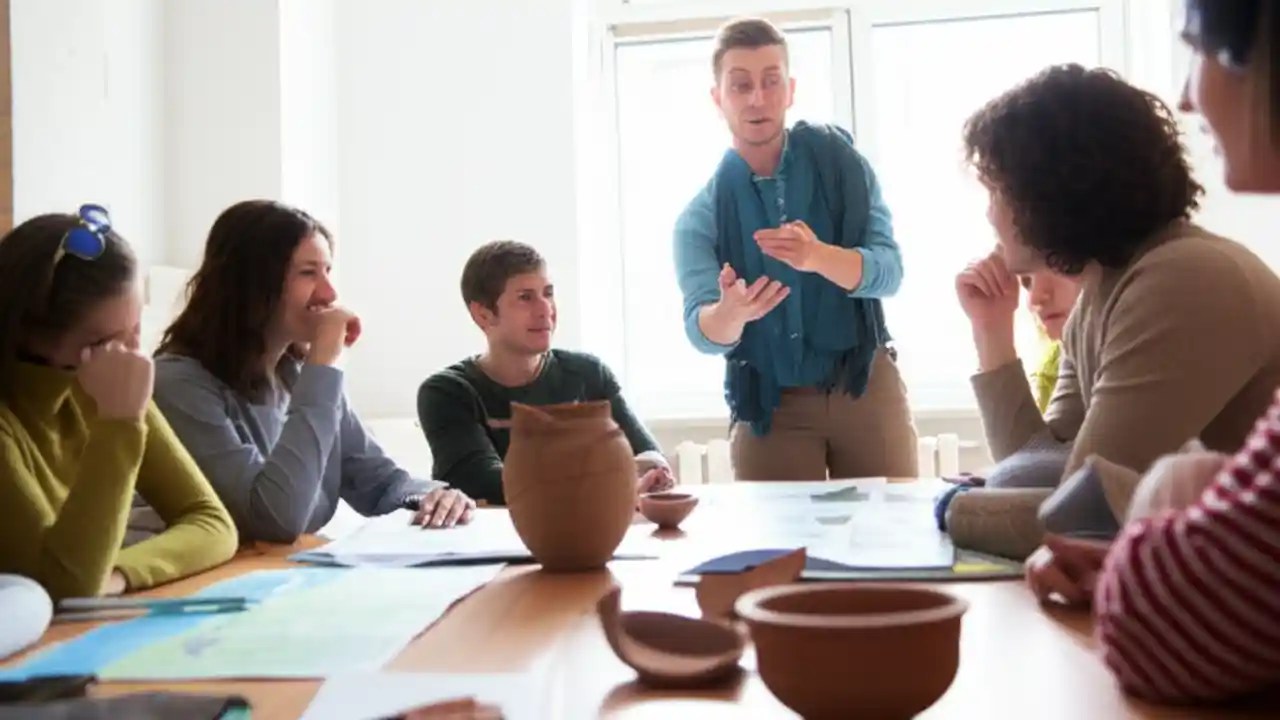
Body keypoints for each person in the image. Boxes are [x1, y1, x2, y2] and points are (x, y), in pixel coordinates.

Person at [1028, 1, 1280, 703]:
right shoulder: (1107, 288)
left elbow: (1160, 630)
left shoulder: (1185, 276)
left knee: (1177, 480)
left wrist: (1142, 552)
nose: (1189, 96)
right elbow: (1051, 460)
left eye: (1202, 50)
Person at [958, 62, 1280, 489]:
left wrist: (952, 509)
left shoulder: (1180, 279)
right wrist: (990, 330)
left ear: (1047, 191)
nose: (989, 213)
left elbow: (1088, 504)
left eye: (997, 191)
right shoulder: (1101, 293)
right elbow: (1034, 470)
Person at [673, 17, 916, 481]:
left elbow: (890, 272)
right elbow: (700, 328)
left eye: (771, 81)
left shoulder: (845, 168)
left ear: (790, 90)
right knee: (778, 532)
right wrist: (731, 313)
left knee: (893, 523)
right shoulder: (698, 220)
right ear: (718, 98)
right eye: (741, 85)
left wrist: (818, 256)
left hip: (865, 383)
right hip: (768, 404)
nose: (757, 98)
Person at [152, 200, 474, 544]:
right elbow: (274, 519)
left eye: (328, 272)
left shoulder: (296, 375)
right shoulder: (177, 384)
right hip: (207, 572)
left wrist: (434, 496)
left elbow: (380, 484)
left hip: (281, 567)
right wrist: (322, 366)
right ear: (251, 283)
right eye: (308, 273)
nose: (329, 293)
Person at [0, 207, 237, 600]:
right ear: (30, 333)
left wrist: (121, 573)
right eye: (104, 341)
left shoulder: (104, 376)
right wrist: (119, 424)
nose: (131, 355)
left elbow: (212, 522)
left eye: (137, 328)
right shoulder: (102, 394)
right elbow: (69, 584)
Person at [419, 241, 673, 506]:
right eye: (525, 297)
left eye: (548, 293)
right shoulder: (447, 392)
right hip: (497, 531)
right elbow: (484, 481)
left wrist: (647, 472)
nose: (545, 310)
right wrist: (610, 474)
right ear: (483, 315)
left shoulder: (588, 374)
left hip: (588, 525)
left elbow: (650, 459)